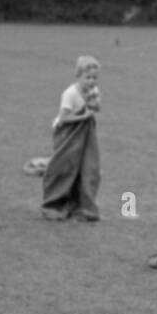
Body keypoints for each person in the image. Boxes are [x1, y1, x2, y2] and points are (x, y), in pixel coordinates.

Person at [42, 54, 101, 221]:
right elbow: (63, 119)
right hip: (66, 133)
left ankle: (82, 204)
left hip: (85, 133)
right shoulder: (70, 94)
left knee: (87, 167)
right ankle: (55, 202)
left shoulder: (93, 90)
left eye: (95, 78)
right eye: (88, 77)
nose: (91, 81)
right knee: (65, 167)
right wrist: (84, 116)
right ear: (78, 75)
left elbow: (98, 107)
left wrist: (94, 103)